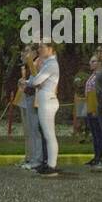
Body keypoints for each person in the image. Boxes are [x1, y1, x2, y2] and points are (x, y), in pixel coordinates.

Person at [27, 40, 60, 177]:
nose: (39, 49)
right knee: (47, 135)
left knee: (49, 135)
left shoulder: (51, 64)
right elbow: (36, 81)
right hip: (45, 101)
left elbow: (36, 81)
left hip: (48, 101)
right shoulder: (48, 63)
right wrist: (31, 82)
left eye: (42, 47)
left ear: (50, 49)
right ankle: (49, 164)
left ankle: (52, 166)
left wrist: (29, 82)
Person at [16, 44, 40, 169]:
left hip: (34, 99)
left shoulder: (36, 63)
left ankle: (36, 159)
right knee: (29, 131)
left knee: (34, 130)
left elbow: (36, 81)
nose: (25, 54)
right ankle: (31, 157)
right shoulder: (29, 66)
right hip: (28, 98)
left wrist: (25, 82)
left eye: (27, 51)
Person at [83, 55, 102, 167]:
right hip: (90, 105)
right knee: (95, 133)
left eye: (93, 61)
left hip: (96, 106)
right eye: (90, 61)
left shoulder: (100, 75)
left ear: (99, 63)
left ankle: (100, 156)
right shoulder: (93, 75)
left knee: (99, 132)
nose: (90, 63)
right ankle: (96, 156)